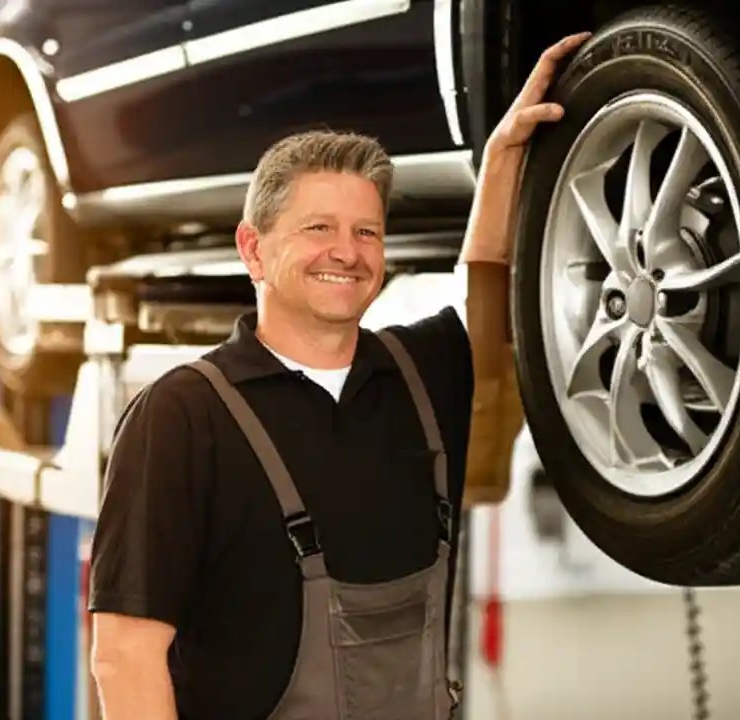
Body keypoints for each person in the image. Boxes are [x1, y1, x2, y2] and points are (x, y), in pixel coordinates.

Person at [87, 31, 592, 720]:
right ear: (254, 249)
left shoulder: (419, 378)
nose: (346, 253)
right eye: (318, 228)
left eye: (367, 233)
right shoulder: (182, 417)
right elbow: (124, 656)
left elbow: (490, 288)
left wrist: (501, 157)